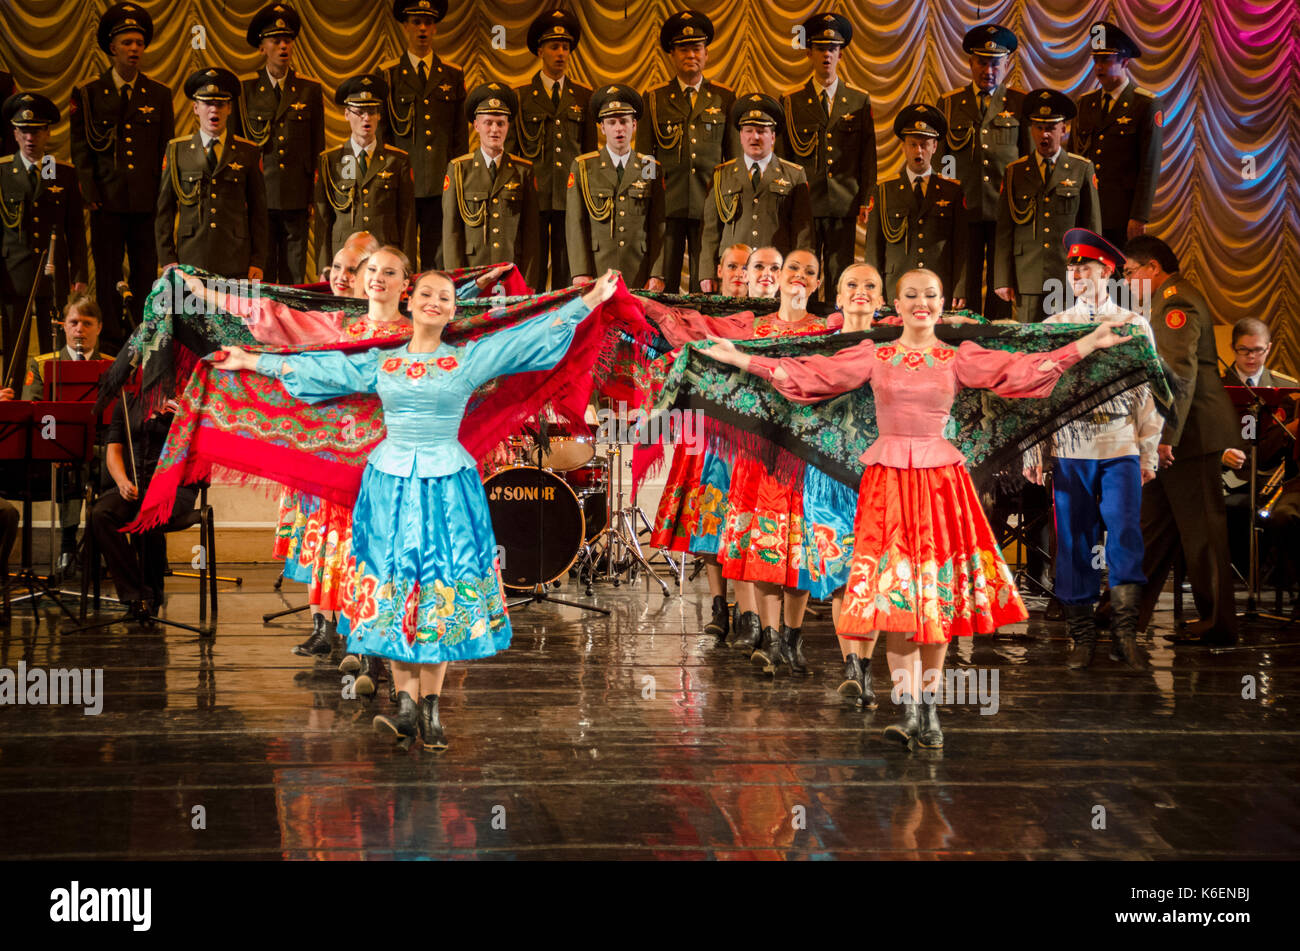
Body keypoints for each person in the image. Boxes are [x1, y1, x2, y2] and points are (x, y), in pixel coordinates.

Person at [703, 268, 1132, 748]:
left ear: (942, 303)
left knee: (933, 598)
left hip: (940, 485)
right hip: (886, 482)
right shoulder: (875, 354)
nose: (920, 302)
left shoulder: (957, 357)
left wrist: (1086, 346)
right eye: (911, 295)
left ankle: (928, 712)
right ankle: (908, 710)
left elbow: (1021, 371)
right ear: (898, 304)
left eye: (930, 294)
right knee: (894, 596)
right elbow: (813, 376)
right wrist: (741, 358)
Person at [215, 269, 622, 751]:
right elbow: (318, 370)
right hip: (388, 486)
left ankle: (430, 709)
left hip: (448, 487)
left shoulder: (467, 360)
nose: (433, 301)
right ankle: (406, 707)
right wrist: (248, 359)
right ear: (410, 304)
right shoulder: (382, 363)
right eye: (425, 294)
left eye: (443, 297)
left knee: (440, 594)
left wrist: (591, 300)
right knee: (393, 590)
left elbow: (529, 338)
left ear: (453, 310)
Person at [181, 249, 414, 689]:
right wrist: (205, 292)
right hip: (340, 459)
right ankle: (361, 648)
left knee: (382, 554)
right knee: (347, 554)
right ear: (362, 281)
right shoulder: (339, 328)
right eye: (372, 271)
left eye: (390, 272)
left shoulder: (417, 332)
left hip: (390, 459)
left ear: (406, 283)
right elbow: (272, 314)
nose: (378, 278)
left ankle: (376, 653)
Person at [1024, 229, 1160, 670]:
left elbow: (1148, 393)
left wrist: (1148, 451)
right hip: (1070, 447)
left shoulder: (1134, 324)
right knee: (1073, 541)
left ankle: (1125, 636)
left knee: (1124, 536)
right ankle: (1081, 637)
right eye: (1071, 267)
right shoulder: (1056, 327)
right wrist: (1034, 451)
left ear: (1107, 271)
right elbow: (1039, 395)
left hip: (1119, 444)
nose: (1077, 274)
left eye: (1086, 267)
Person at [1122, 235, 1239, 644]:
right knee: (1151, 529)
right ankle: (1122, 613)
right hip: (1179, 435)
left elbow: (1178, 374)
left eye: (1129, 272)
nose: (1127, 280)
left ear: (1152, 267)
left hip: (1191, 434)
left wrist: (1165, 436)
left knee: (1204, 534)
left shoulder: (1175, 302)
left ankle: (1218, 624)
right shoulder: (1164, 301)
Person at [800, 262, 886, 704]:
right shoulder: (818, 346)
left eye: (870, 285)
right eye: (852, 284)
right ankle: (851, 666)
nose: (860, 291)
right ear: (837, 294)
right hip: (826, 474)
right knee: (838, 576)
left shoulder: (894, 345)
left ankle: (865, 669)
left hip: (876, 474)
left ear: (881, 297)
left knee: (867, 576)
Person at [70, 2, 174, 347]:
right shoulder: (88, 93)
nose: (134, 49)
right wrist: (89, 192)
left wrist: (163, 197)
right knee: (109, 273)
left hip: (147, 202)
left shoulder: (159, 95)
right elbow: (81, 147)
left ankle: (145, 339)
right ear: (111, 47)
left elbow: (165, 150)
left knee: (146, 275)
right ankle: (113, 340)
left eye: (139, 43)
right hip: (107, 202)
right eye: (127, 43)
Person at [637, 9, 737, 293]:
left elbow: (731, 159)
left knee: (705, 284)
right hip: (667, 205)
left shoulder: (724, 98)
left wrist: (728, 204)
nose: (690, 55)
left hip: (710, 204)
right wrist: (648, 201)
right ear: (672, 54)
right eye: (683, 49)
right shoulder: (654, 99)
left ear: (706, 54)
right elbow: (646, 157)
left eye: (696, 48)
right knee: (662, 283)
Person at [934, 24, 1027, 320]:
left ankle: (996, 342)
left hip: (1004, 211)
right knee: (965, 283)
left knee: (1001, 285)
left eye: (995, 64)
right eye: (982, 63)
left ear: (1006, 65)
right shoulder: (948, 105)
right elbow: (942, 162)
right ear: (971, 63)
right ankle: (966, 340)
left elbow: (1026, 161)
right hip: (965, 208)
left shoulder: (1020, 103)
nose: (989, 70)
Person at [779, 12, 876, 294]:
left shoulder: (858, 100)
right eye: (821, 48)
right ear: (808, 53)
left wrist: (866, 198)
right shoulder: (791, 100)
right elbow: (784, 158)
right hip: (805, 203)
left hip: (844, 203)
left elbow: (868, 154)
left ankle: (835, 329)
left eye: (833, 49)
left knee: (839, 274)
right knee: (802, 272)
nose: (827, 55)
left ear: (841, 55)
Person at [233, 2, 325, 285]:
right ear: (262, 48)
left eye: (287, 41)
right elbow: (236, 146)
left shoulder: (309, 89)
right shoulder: (245, 90)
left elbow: (317, 146)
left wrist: (313, 194)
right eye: (276, 41)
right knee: (261, 268)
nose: (283, 46)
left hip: (296, 195)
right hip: (258, 194)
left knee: (294, 272)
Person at [22, 297, 115, 576]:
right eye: (74, 322)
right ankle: (67, 545)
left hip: (101, 447)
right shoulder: (42, 364)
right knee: (74, 459)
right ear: (64, 327)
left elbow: (121, 416)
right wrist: (52, 445)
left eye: (87, 324)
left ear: (99, 328)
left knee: (102, 461)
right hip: (58, 448)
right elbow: (34, 411)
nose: (79, 329)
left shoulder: (112, 365)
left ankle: (97, 545)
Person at [994, 89, 1101, 323]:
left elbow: (1091, 229)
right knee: (1028, 343)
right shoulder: (1015, 172)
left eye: (1051, 128)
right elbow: (1004, 231)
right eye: (1039, 128)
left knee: (1063, 342)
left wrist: (1090, 276)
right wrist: (1003, 278)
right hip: (1027, 275)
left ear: (1063, 129)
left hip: (1067, 276)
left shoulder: (1081, 169)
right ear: (1031, 130)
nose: (1044, 135)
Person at [90, 392, 199, 622]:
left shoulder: (189, 399)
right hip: (133, 482)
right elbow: (114, 448)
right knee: (101, 514)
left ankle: (152, 596)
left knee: (148, 514)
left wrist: (175, 416)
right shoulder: (128, 401)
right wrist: (121, 481)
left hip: (175, 487)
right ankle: (137, 594)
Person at [508, 9, 593, 290]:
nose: (561, 53)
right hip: (533, 197)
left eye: (566, 47)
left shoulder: (584, 96)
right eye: (554, 46)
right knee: (530, 267)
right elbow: (512, 157)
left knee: (567, 267)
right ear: (540, 51)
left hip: (570, 198)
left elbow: (589, 154)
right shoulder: (520, 97)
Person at [156, 68, 267, 281]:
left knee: (233, 315)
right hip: (189, 262)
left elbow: (258, 212)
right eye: (207, 104)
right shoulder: (177, 151)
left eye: (220, 104)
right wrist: (167, 258)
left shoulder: (248, 151)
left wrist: (257, 261)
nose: (213, 110)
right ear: (196, 108)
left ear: (229, 108)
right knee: (190, 314)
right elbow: (164, 211)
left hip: (236, 261)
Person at [0, 93, 89, 356]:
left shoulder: (63, 173)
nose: (30, 138)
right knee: (14, 352)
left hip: (54, 277)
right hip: (12, 275)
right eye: (24, 131)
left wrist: (80, 274)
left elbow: (75, 229)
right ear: (14, 133)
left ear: (48, 132)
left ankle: (51, 398)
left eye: (37, 131)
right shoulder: (3, 172)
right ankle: (12, 396)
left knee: (54, 354)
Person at [382, 0, 466, 270]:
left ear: (435, 28)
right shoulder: (389, 75)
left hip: (439, 181)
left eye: (428, 22)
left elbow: (459, 135)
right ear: (405, 26)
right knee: (400, 253)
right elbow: (384, 134)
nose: (422, 28)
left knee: (437, 254)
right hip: (401, 181)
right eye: (416, 22)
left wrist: (456, 178)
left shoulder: (452, 75)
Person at [700, 93, 812, 286]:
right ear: (741, 136)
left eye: (761, 131)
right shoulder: (721, 175)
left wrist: (800, 274)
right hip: (734, 275)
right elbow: (711, 231)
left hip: (776, 274)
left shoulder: (794, 175)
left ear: (773, 136)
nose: (755, 137)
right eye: (748, 130)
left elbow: (803, 234)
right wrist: (707, 273)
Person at [1220, 318, 1298, 586]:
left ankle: (1275, 575)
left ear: (1269, 348)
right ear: (1233, 348)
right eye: (1244, 350)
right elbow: (1198, 435)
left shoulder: (1286, 388)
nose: (1251, 356)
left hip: (1272, 478)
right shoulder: (1215, 387)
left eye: (1258, 350)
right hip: (1228, 477)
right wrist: (1220, 453)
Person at [866, 104, 969, 308]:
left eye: (924, 144)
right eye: (913, 144)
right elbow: (873, 248)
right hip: (895, 287)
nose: (918, 151)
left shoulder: (952, 191)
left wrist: (960, 288)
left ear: (935, 147)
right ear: (903, 146)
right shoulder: (884, 191)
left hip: (938, 287)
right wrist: (874, 289)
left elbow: (961, 247)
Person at [313, 75, 416, 277]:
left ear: (379, 116)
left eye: (371, 112)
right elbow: (323, 221)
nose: (366, 118)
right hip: (344, 258)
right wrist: (324, 266)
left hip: (385, 254)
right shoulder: (330, 161)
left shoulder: (397, 160)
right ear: (346, 114)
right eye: (359, 112)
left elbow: (407, 218)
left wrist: (407, 266)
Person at [1073, 22, 1164, 249]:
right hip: (1086, 210)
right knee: (1087, 277)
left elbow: (1149, 166)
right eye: (1096, 60)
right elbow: (1074, 158)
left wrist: (1140, 215)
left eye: (1105, 60)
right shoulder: (1085, 104)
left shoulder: (1145, 104)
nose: (1098, 67)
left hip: (1122, 214)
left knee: (1120, 280)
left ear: (1124, 62)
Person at [566, 85, 665, 290]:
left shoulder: (649, 166)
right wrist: (580, 271)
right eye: (611, 122)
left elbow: (658, 225)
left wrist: (657, 273)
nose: (618, 128)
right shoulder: (584, 167)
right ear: (602, 128)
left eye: (624, 121)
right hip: (597, 269)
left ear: (634, 124)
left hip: (638, 269)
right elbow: (575, 223)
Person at [443, 84, 540, 290]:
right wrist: (456, 284)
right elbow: (452, 233)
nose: (494, 130)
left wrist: (528, 284)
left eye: (500, 123)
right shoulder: (459, 170)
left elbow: (531, 235)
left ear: (508, 126)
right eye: (488, 123)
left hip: (511, 275)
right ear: (476, 125)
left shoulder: (523, 171)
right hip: (473, 275)